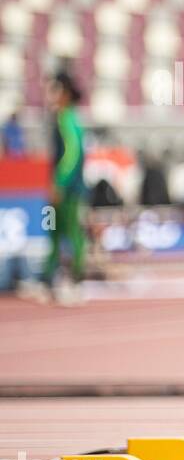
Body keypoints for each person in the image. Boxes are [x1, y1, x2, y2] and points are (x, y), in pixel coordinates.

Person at [41, 72, 89, 305]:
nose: (52, 95)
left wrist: (59, 183)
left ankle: (76, 282)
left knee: (71, 233)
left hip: (69, 191)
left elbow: (72, 155)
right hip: (60, 189)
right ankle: (49, 280)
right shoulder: (61, 118)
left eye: (56, 90)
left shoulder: (67, 119)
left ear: (66, 94)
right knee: (52, 231)